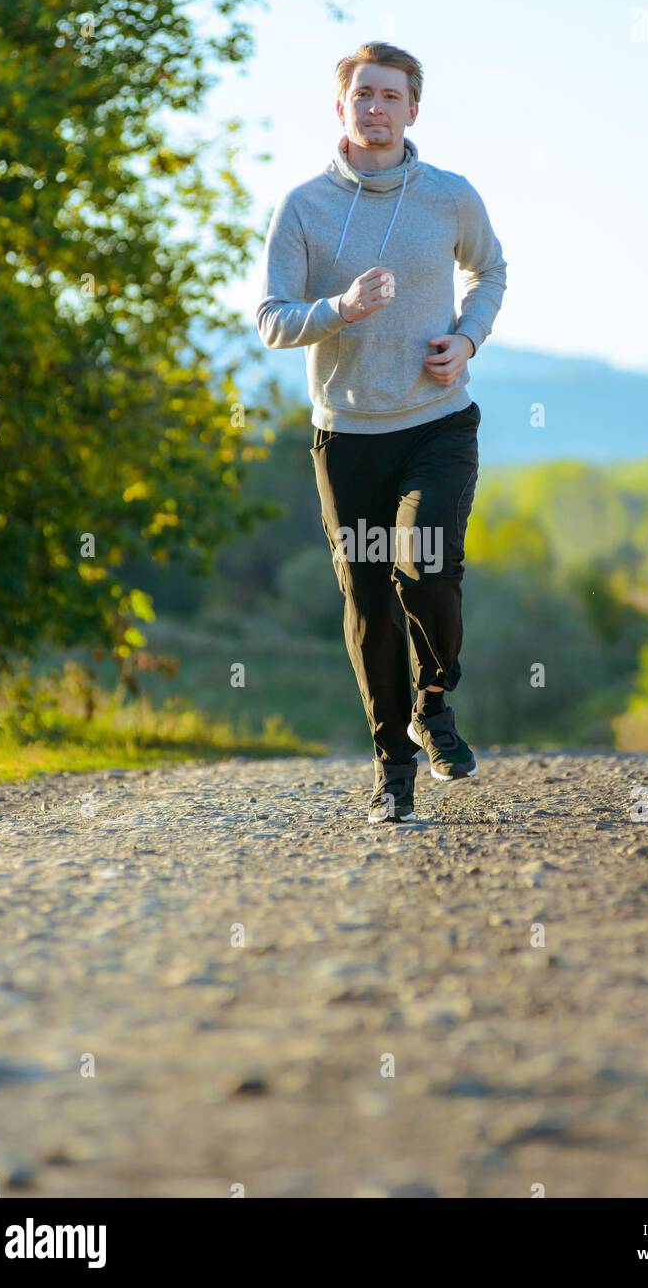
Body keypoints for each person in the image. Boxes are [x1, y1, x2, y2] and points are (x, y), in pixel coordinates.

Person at [257, 42, 507, 823]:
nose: (375, 107)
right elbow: (271, 320)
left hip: (436, 421)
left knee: (424, 565)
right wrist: (340, 310)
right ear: (341, 107)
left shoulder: (447, 196)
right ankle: (392, 770)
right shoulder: (302, 207)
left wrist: (466, 339)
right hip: (347, 434)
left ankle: (434, 704)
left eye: (390, 96)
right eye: (362, 94)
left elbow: (490, 271)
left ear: (412, 110)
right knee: (368, 602)